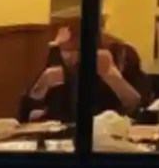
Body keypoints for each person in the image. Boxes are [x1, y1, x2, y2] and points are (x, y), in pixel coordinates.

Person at [18, 14, 150, 123]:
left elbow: (140, 108)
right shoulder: (55, 56)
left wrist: (112, 76)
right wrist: (43, 84)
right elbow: (26, 113)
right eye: (63, 50)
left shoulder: (122, 54)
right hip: (60, 139)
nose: (68, 57)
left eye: (74, 51)